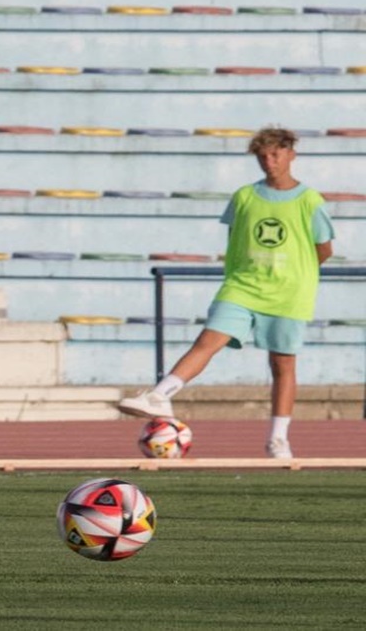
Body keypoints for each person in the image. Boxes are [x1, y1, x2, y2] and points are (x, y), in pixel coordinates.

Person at [116, 127, 335, 459]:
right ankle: (160, 395)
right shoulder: (245, 196)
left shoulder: (309, 200)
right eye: (263, 156)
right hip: (242, 286)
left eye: (276, 154)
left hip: (289, 292)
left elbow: (324, 248)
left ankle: (278, 438)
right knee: (208, 340)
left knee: (282, 363)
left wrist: (295, 273)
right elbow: (236, 239)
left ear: (291, 154)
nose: (269, 162)